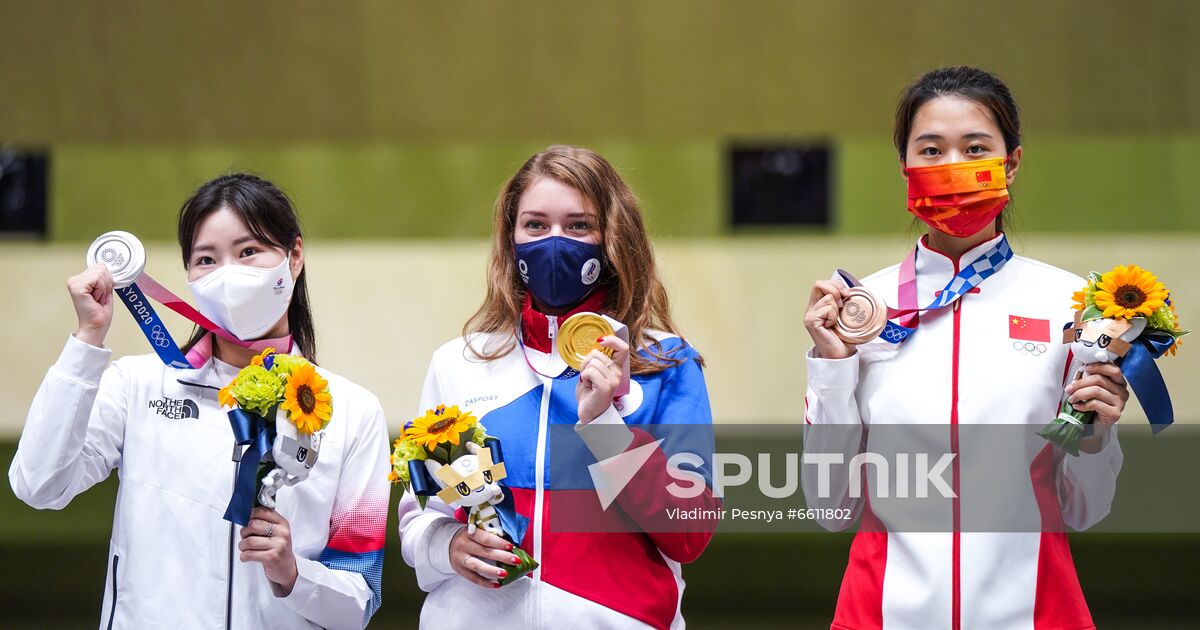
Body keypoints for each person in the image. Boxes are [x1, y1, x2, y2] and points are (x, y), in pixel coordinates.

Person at [802, 67, 1127, 629]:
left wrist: (1098, 439)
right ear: (904, 164)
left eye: (975, 148)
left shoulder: (1071, 306)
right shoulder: (859, 309)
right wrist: (830, 370)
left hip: (1033, 613)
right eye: (931, 150)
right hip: (881, 615)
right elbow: (832, 509)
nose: (952, 166)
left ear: (1013, 162)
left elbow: (1083, 510)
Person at [9, 173, 390, 629]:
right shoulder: (137, 386)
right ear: (188, 276)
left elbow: (358, 602)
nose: (228, 274)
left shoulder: (351, 412)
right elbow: (38, 485)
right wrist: (87, 342)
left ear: (293, 257)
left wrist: (292, 574)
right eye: (206, 259)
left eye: (249, 251)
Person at [398, 145, 717, 629]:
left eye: (578, 225)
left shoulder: (666, 363)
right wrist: (447, 546)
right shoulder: (458, 363)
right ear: (511, 237)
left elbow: (688, 536)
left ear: (613, 238)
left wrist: (607, 423)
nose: (554, 242)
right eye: (536, 225)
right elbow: (419, 513)